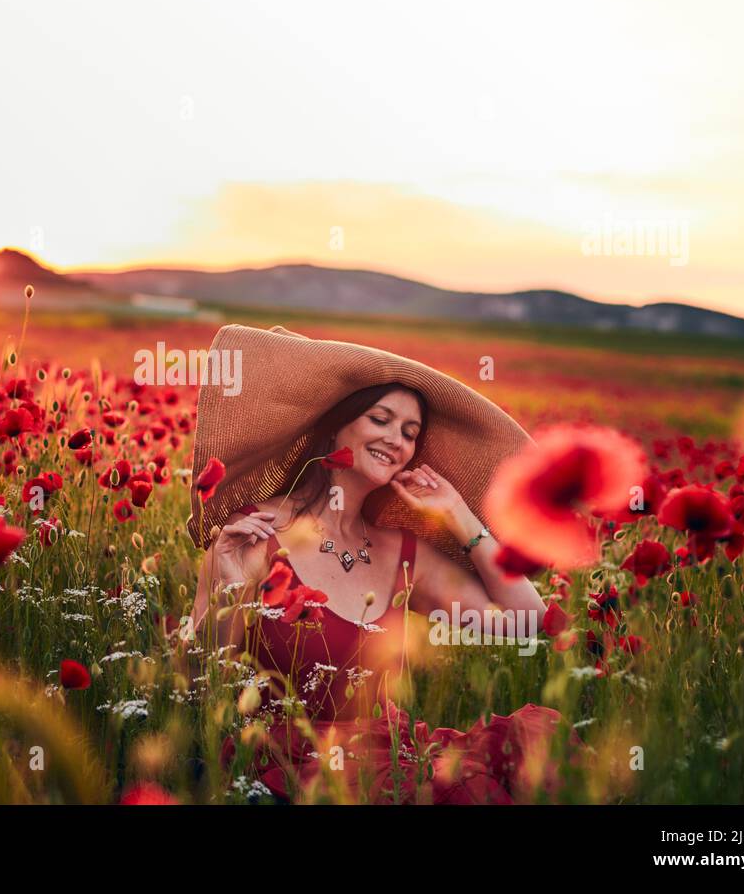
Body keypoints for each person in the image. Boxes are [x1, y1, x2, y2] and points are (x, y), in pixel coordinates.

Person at [188, 324, 580, 803]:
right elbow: (194, 682)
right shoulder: (254, 533)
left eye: (410, 433)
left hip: (388, 763)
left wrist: (458, 513)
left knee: (533, 748)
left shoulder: (404, 553)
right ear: (338, 423)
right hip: (280, 770)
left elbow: (526, 621)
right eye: (381, 419)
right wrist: (229, 590)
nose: (397, 440)